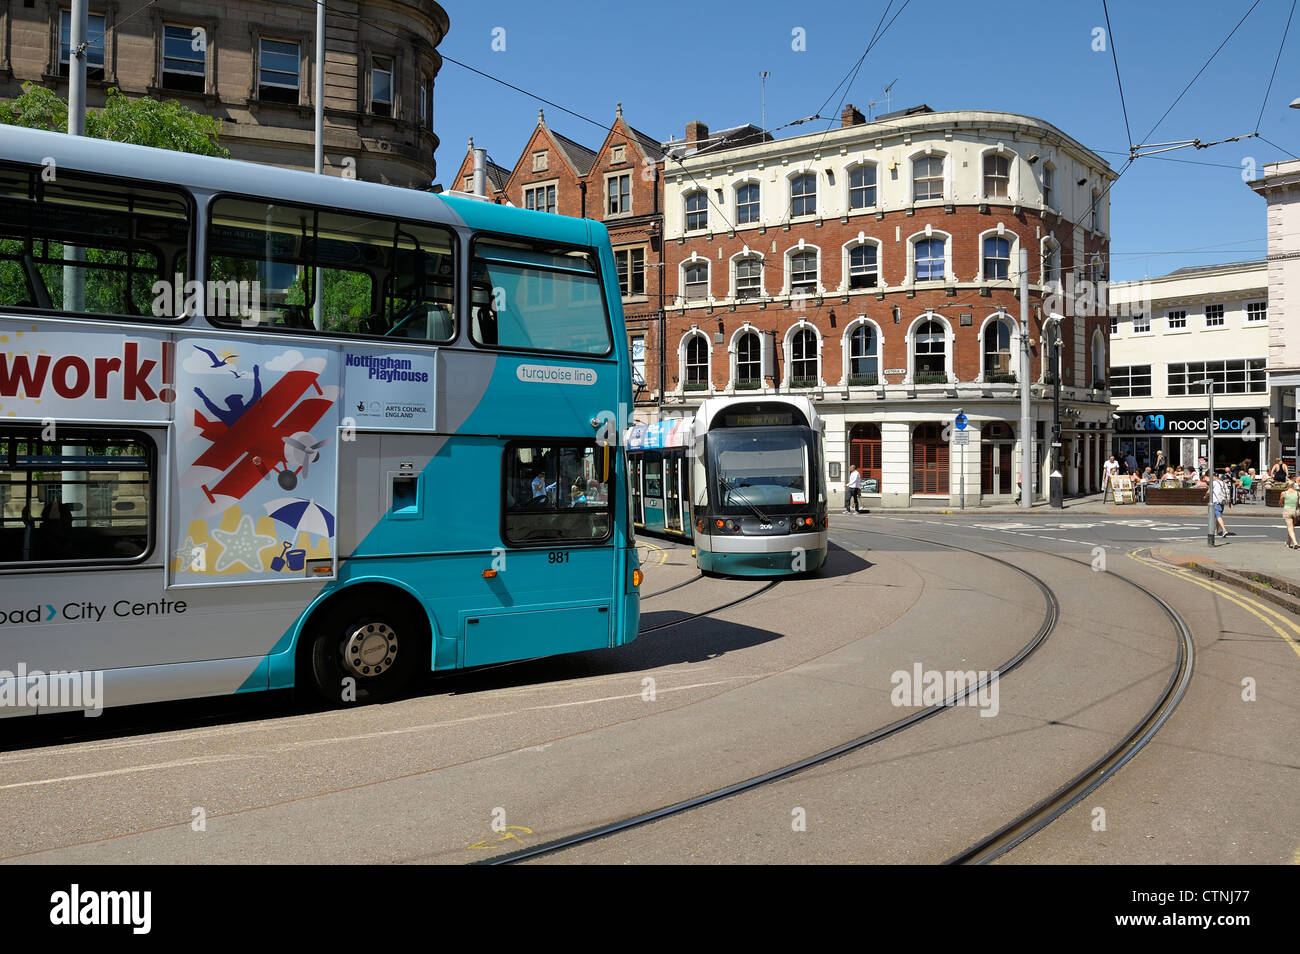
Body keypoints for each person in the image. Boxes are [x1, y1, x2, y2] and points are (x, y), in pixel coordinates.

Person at [1206, 471, 1229, 537]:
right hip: (1222, 501)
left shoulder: (1214, 483)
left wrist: (1205, 496)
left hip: (1216, 501)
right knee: (1218, 516)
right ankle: (1216, 531)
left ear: (1214, 476)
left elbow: (1208, 492)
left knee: (1218, 516)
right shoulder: (1224, 483)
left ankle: (1224, 530)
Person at [1283, 479, 1299, 548]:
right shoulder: (1298, 493)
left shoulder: (1284, 493)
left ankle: (1295, 543)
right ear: (1293, 485)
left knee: (1290, 528)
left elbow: (1280, 502)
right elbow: (1299, 503)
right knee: (1292, 528)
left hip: (1287, 511)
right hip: (1295, 511)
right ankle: (1288, 543)